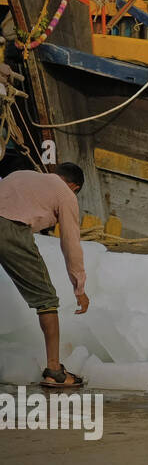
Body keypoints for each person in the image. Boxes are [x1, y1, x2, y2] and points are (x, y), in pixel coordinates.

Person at [0, 163, 89, 388]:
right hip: (10, 230)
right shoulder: (66, 194)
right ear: (74, 186)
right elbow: (70, 243)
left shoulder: (20, 173)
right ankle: (54, 370)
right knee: (46, 300)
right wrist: (79, 287)